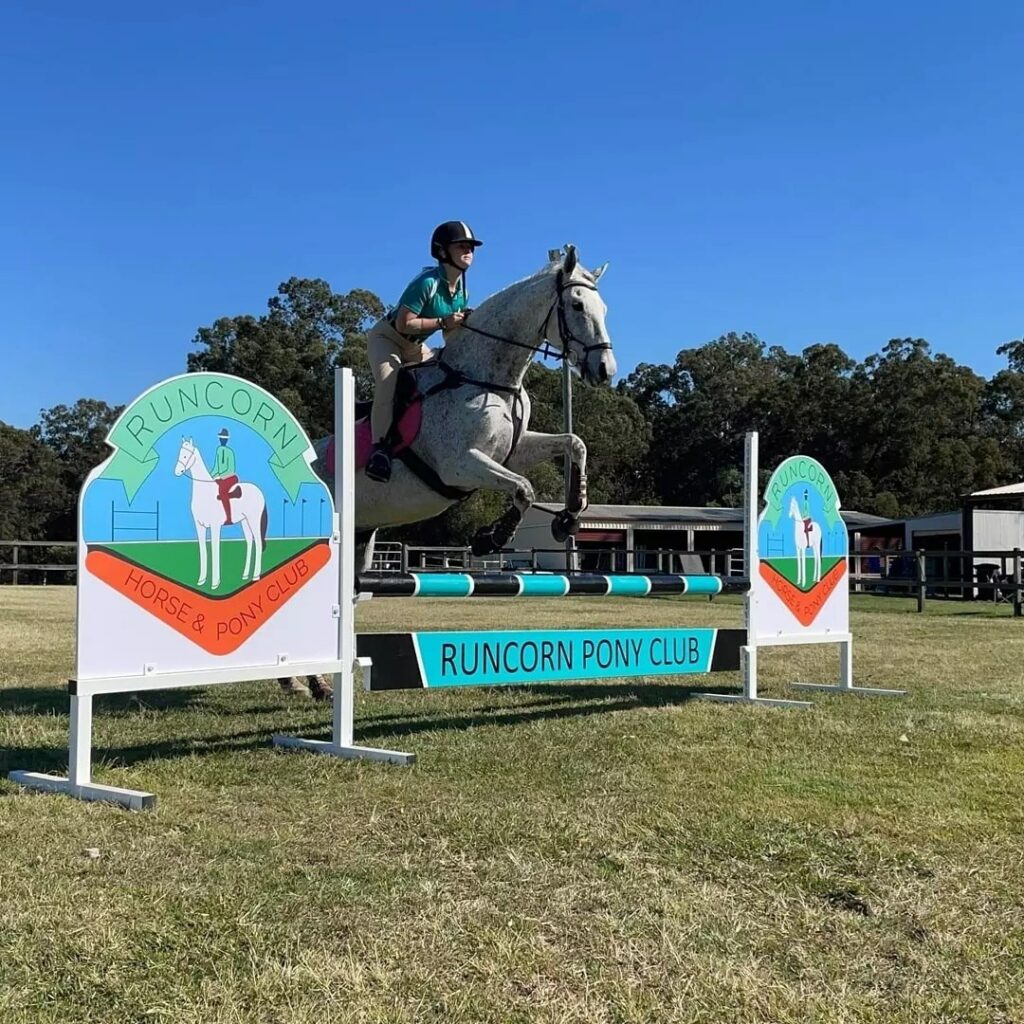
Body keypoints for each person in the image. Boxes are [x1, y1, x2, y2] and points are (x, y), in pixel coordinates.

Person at [364, 221, 483, 482]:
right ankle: (379, 451)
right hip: (388, 338)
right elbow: (404, 323)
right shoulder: (427, 282)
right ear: (443, 251)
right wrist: (444, 322)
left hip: (416, 346)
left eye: (471, 247)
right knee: (389, 382)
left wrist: (460, 328)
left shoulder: (462, 289)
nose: (468, 250)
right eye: (461, 245)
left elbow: (449, 334)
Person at [213, 427, 239, 524]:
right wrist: (211, 476)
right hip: (221, 478)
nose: (222, 440)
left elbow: (230, 468)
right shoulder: (218, 450)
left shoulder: (230, 452)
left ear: (226, 440)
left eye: (223, 438)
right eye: (221, 438)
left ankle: (229, 518)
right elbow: (216, 466)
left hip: (230, 478)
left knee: (222, 491)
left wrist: (220, 476)